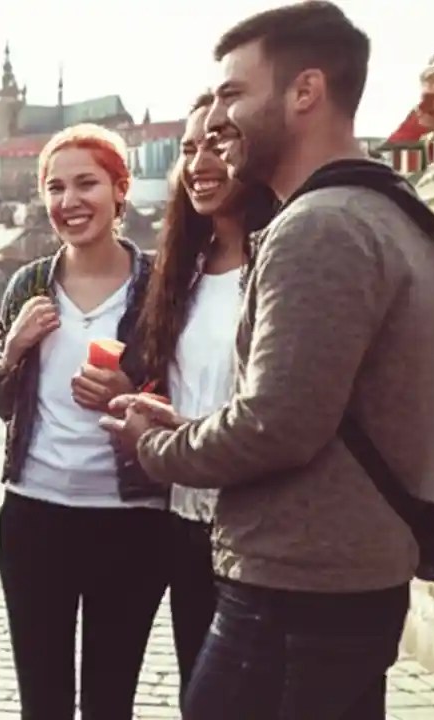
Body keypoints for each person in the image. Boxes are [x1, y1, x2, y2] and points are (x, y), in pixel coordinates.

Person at [104, 3, 434, 718]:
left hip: (296, 587)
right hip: (356, 577)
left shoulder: (319, 226)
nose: (219, 120)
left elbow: (277, 426)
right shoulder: (399, 215)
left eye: (234, 94)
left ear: (305, 91)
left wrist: (156, 445)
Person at [0, 123, 167, 720]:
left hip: (131, 520)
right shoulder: (29, 283)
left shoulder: (159, 286)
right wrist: (11, 350)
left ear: (120, 190)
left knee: (109, 703)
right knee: (42, 703)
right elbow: (3, 404)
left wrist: (129, 396)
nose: (70, 201)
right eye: (56, 187)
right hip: (34, 514)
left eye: (86, 184)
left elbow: (181, 396)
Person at [126, 90, 277, 697]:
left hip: (255, 526)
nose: (199, 163)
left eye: (216, 143)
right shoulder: (182, 268)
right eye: (188, 149)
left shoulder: (280, 256)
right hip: (184, 522)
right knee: (199, 691)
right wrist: (131, 396)